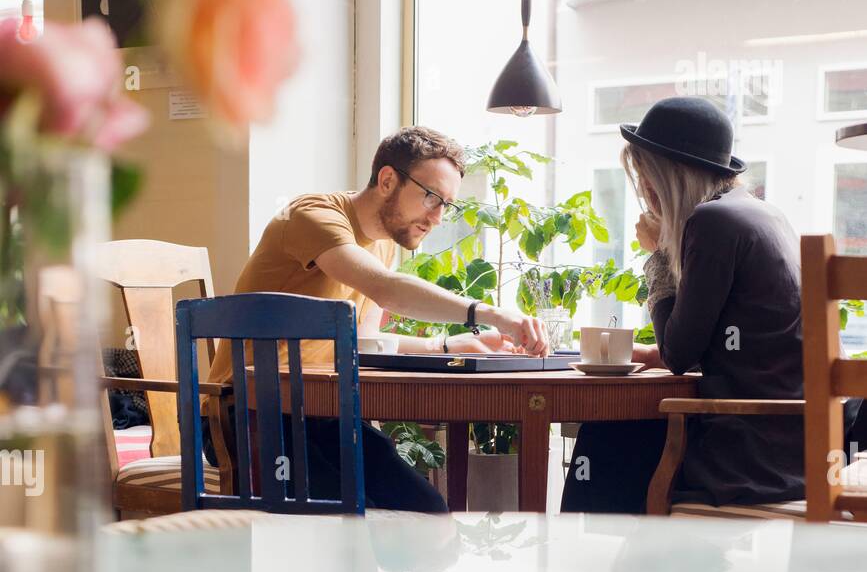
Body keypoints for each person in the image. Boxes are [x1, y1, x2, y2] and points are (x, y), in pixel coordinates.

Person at [206, 127, 549, 513]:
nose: (437, 218)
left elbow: (364, 340)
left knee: (426, 511)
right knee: (351, 523)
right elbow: (386, 288)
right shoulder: (312, 215)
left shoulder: (384, 244)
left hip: (318, 410)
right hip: (247, 410)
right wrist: (487, 312)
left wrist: (447, 345)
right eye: (431, 197)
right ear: (387, 180)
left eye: (445, 205)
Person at [561, 95, 857, 513]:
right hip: (807, 443)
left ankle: (589, 561)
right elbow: (728, 342)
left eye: (644, 176)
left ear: (663, 177)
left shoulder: (712, 221)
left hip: (755, 453)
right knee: (619, 438)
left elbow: (680, 354)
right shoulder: (761, 213)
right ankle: (655, 571)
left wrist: (660, 254)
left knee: (608, 432)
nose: (644, 191)